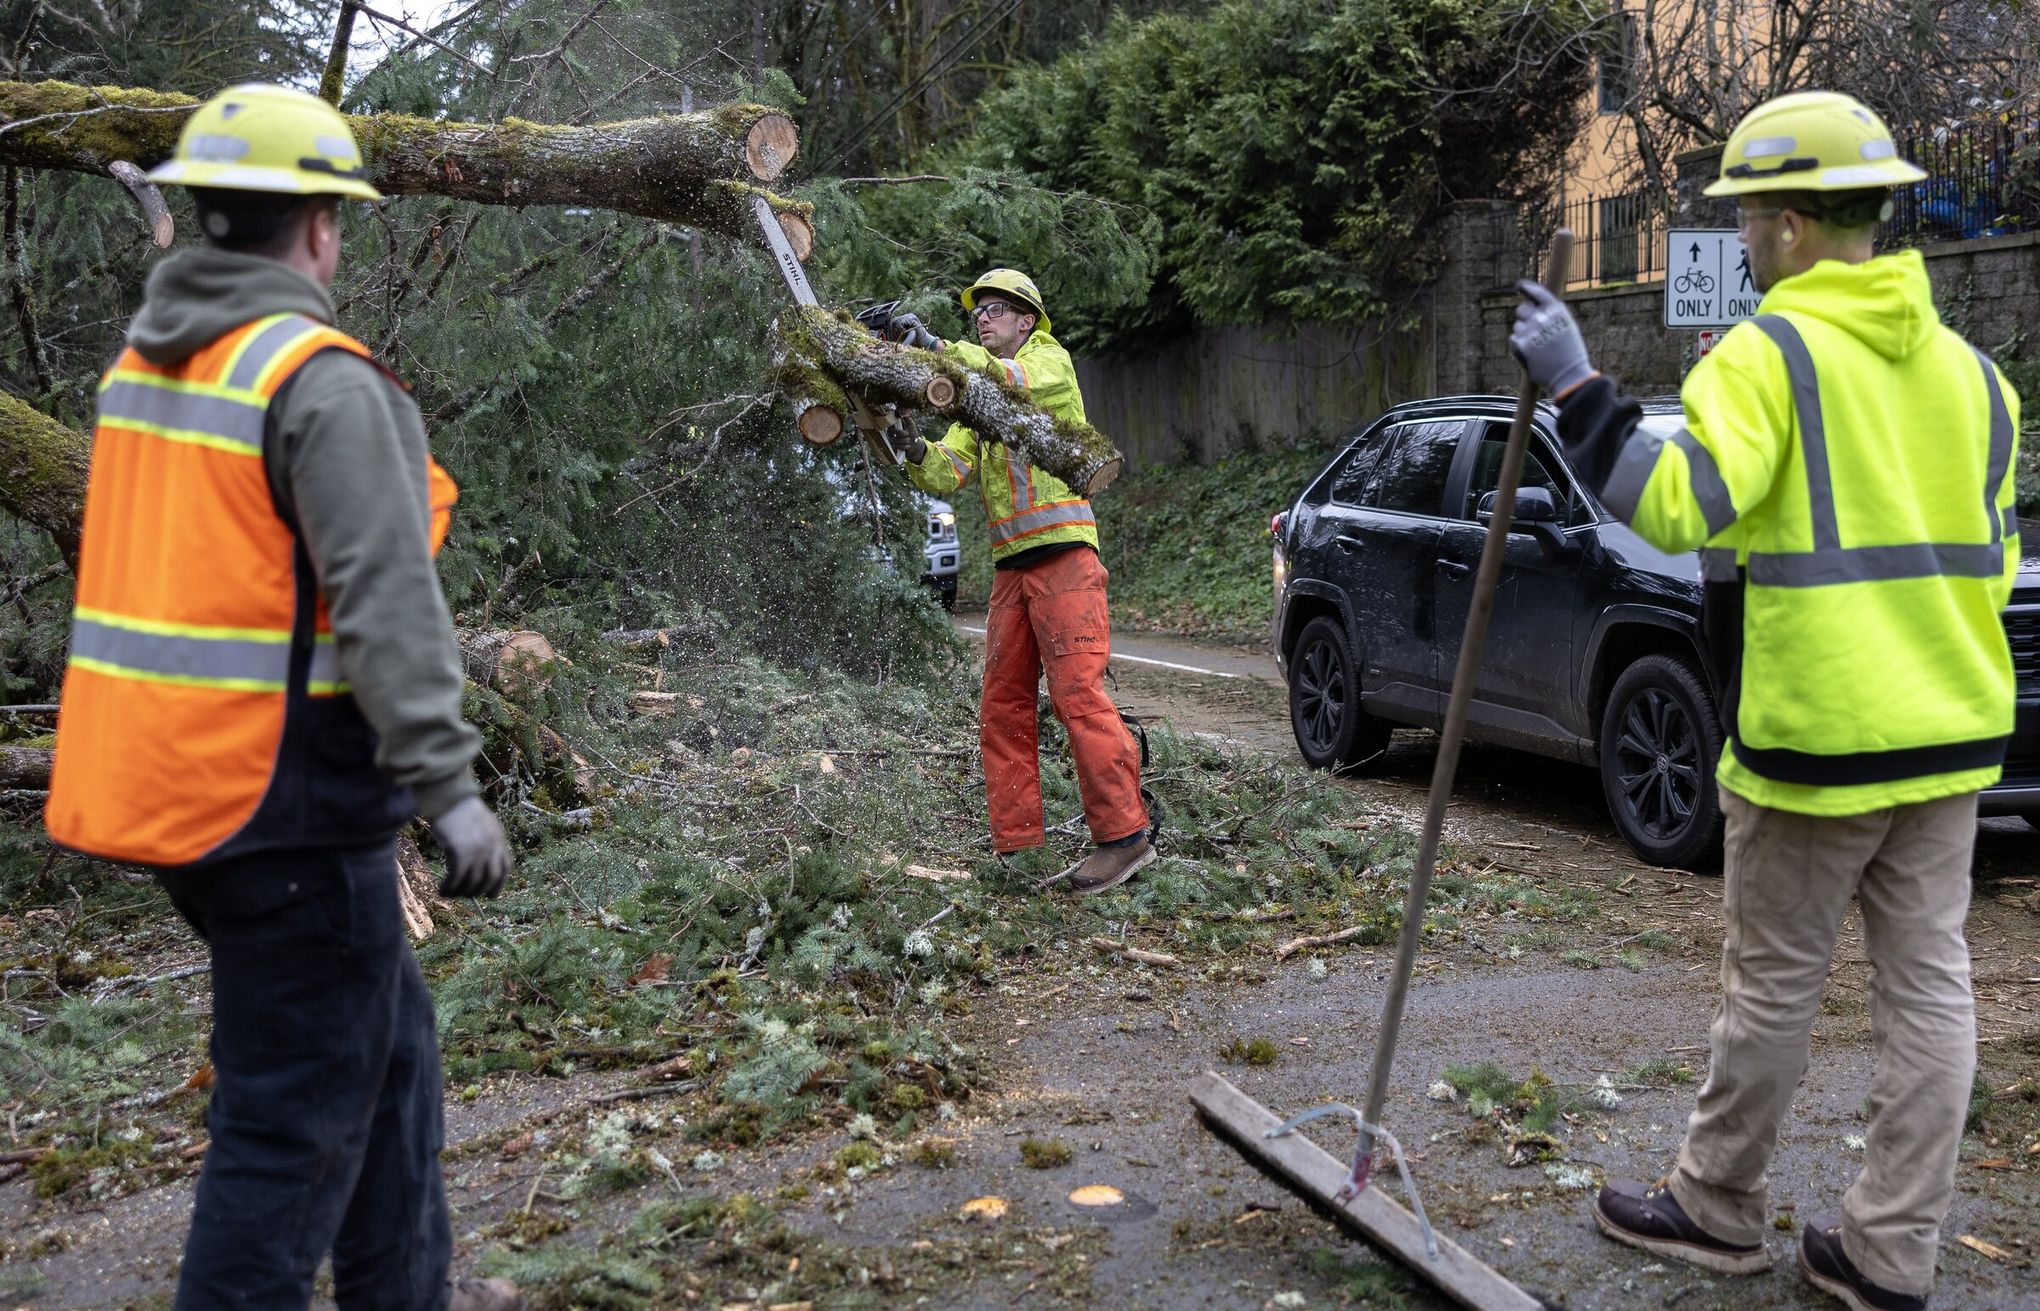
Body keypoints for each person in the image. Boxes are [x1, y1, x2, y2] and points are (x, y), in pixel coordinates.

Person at [1512, 91, 2018, 1311]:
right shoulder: (1976, 379)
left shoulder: (1773, 354)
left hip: (1817, 742)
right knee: (1932, 991)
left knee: (1773, 988)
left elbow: (1674, 504)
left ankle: (1716, 1208)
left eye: (1746, 215)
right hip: (1950, 734)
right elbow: (1986, 561)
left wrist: (1579, 389)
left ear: (1792, 225)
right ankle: (1890, 1257)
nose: (1740, 237)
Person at [42, 84, 521, 1311]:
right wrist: (448, 789)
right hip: (285, 811)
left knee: (391, 1069)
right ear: (318, 226)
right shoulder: (313, 376)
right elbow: (385, 600)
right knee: (290, 1132)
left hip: (187, 799)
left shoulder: (154, 364)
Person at [886, 270, 1153, 893]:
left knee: (1077, 697)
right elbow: (949, 469)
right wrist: (910, 446)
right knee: (1002, 706)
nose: (984, 319)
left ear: (1027, 321)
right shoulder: (977, 401)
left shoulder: (1047, 364)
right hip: (1011, 568)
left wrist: (935, 350)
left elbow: (1004, 381)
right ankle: (1018, 848)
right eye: (979, 313)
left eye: (998, 311)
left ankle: (1124, 836)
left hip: (1065, 560)